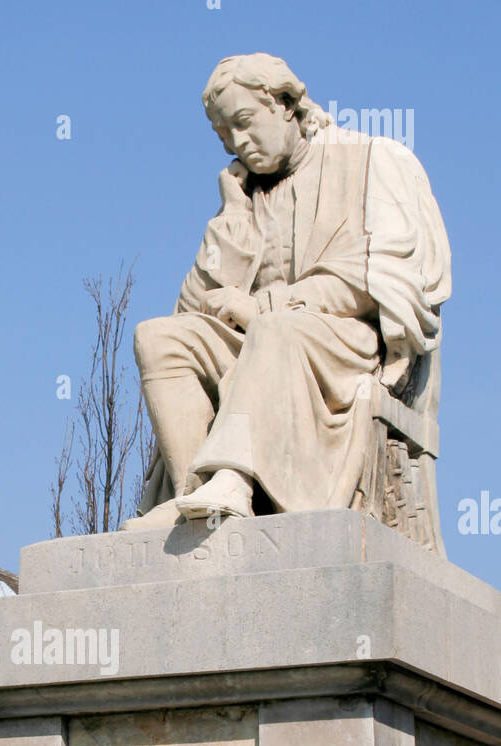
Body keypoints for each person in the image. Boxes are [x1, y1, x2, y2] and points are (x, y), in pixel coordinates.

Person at [126, 53, 451, 530]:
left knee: (274, 328)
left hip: (344, 345)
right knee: (158, 338)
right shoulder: (246, 194)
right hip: (264, 343)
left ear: (283, 103)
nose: (238, 143)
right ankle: (192, 497)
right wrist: (231, 219)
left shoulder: (374, 159)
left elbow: (391, 277)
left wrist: (265, 306)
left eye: (244, 122)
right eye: (224, 136)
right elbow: (192, 312)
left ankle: (235, 481)